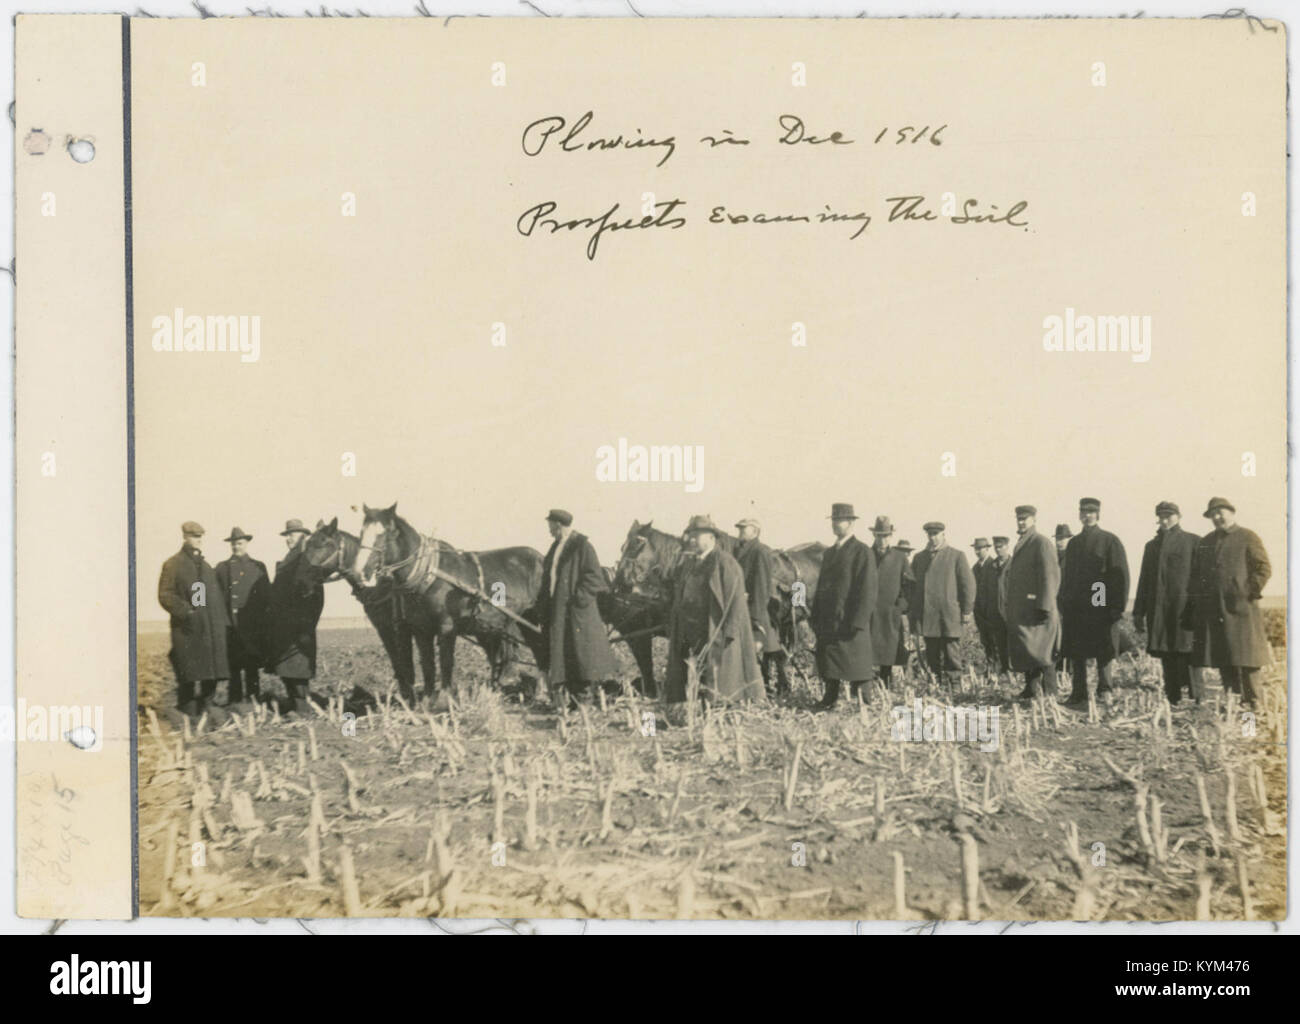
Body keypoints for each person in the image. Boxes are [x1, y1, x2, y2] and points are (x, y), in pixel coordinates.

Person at [665, 516, 765, 705]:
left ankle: (724, 712)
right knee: (698, 675)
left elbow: (735, 602)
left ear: (712, 538)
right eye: (691, 535)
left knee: (723, 679)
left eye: (697, 536)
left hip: (715, 630)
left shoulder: (725, 563)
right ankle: (701, 710)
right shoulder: (689, 564)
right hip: (692, 630)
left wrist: (730, 631)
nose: (692, 540)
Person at [1182, 498, 1271, 708]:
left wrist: (1247, 591)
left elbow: (1263, 568)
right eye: (1212, 514)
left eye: (1220, 512)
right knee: (1224, 656)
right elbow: (1197, 576)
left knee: (1248, 658)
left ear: (1231, 512)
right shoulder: (1206, 542)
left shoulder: (1248, 537)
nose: (1216, 518)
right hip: (1215, 610)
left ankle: (1253, 704)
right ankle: (1233, 701)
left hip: (1242, 609)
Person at [533, 509, 618, 701]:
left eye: (550, 526)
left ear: (558, 525)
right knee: (566, 655)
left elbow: (594, 577)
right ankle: (572, 699)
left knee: (581, 656)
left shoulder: (582, 546)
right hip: (559, 610)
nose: (549, 531)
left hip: (577, 612)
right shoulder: (556, 547)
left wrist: (577, 600)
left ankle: (584, 699)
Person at [1060, 498, 1129, 708]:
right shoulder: (1074, 543)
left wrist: (1114, 606)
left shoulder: (1109, 540)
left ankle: (1105, 690)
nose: (1086, 515)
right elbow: (1068, 576)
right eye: (1083, 511)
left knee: (1103, 648)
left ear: (1097, 514)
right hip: (1076, 606)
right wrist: (1065, 602)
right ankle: (1078, 693)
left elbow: (1119, 576)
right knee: (1076, 651)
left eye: (1091, 512)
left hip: (1099, 603)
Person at [158, 521, 230, 720]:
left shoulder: (205, 567)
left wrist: (216, 621)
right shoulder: (173, 564)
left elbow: (203, 596)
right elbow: (165, 595)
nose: (198, 540)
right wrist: (188, 613)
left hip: (209, 630)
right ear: (184, 537)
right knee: (188, 671)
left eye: (200, 537)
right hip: (187, 630)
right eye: (194, 536)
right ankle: (187, 711)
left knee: (210, 671)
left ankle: (206, 707)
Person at [809, 503, 877, 709]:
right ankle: (830, 698)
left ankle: (864, 701)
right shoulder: (830, 553)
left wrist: (858, 620)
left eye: (840, 521)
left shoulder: (862, 551)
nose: (836, 525)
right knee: (830, 661)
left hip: (850, 618)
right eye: (834, 521)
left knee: (857, 662)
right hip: (829, 617)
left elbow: (867, 589)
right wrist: (815, 615)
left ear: (851, 523)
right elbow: (821, 586)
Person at [1132, 502, 1200, 703]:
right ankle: (1173, 697)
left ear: (1179, 516)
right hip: (1159, 609)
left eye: (1168, 516)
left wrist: (1198, 607)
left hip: (1184, 609)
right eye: (1160, 516)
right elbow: (1144, 580)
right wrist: (1138, 611)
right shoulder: (1151, 546)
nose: (1164, 520)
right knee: (1166, 652)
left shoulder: (1193, 542)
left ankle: (1197, 698)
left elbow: (1202, 578)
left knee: (1188, 652)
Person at [909, 522, 976, 690]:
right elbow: (912, 587)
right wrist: (914, 615)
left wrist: (967, 611)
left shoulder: (956, 556)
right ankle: (935, 685)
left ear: (943, 534)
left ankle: (955, 687)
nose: (933, 537)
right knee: (931, 654)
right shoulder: (919, 558)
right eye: (930, 534)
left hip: (949, 615)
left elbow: (968, 585)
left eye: (936, 533)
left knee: (951, 653)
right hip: (928, 615)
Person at [268, 518, 326, 714]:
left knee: (298, 669)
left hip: (300, 626)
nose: (288, 539)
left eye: (292, 535)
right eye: (287, 535)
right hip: (284, 625)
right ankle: (296, 704)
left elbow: (317, 597)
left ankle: (302, 708)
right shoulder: (290, 558)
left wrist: (308, 625)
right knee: (287, 669)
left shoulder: (307, 560)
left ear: (303, 536)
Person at [1003, 506, 1061, 700]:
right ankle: (1031, 688)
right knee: (1028, 649)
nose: (1021, 522)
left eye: (1025, 519)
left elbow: (1049, 576)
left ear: (1034, 520)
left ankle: (1051, 691)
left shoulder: (1041, 542)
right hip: (1024, 609)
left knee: (1043, 651)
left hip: (1038, 608)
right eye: (1018, 519)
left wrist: (1044, 606)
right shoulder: (1023, 543)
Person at [214, 526, 271, 710]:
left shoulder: (258, 566)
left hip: (253, 624)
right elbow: (214, 595)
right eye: (234, 544)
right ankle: (235, 701)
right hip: (230, 624)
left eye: (240, 543)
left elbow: (266, 596)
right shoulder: (221, 568)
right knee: (234, 665)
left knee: (252, 664)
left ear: (246, 543)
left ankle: (254, 699)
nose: (236, 547)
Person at [733, 517, 789, 696]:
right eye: (739, 529)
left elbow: (762, 585)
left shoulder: (761, 551)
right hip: (742, 607)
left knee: (764, 647)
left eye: (744, 529)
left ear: (755, 531)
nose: (740, 531)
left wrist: (756, 614)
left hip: (754, 609)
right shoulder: (739, 550)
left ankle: (771, 685)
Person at [869, 516, 912, 688]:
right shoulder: (865, 554)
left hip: (889, 611)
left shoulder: (900, 557)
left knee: (888, 649)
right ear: (874, 536)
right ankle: (867, 685)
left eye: (886, 536)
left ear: (891, 537)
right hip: (869, 611)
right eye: (879, 536)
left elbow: (909, 585)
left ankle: (886, 683)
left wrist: (901, 605)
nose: (882, 540)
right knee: (868, 649)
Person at [971, 537, 1005, 679]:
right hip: (980, 612)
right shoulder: (974, 568)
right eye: (976, 549)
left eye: (981, 548)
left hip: (993, 612)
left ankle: (1000, 671)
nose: (978, 551)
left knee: (996, 642)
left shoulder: (994, 565)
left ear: (987, 549)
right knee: (986, 642)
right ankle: (991, 670)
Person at [1053, 524, 1072, 674]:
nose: (1059, 542)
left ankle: (1069, 668)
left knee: (1069, 635)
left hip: (1071, 602)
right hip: (1055, 601)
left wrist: (1098, 602)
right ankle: (1060, 667)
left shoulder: (1074, 555)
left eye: (1062, 539)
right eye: (1058, 539)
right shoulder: (1052, 556)